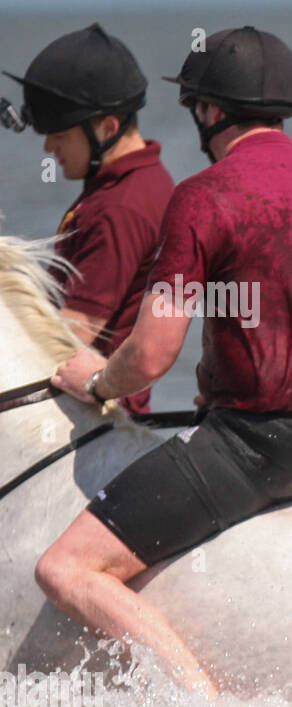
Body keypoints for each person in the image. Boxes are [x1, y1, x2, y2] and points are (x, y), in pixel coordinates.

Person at [34, 26, 292, 695]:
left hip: (254, 450)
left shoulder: (205, 196)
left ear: (209, 112)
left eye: (195, 112)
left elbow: (150, 356)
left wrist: (95, 379)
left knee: (64, 569)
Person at [3, 23, 174, 415]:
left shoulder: (119, 208)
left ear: (107, 128)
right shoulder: (138, 182)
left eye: (60, 136)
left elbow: (72, 335)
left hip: (89, 419)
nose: (48, 147)